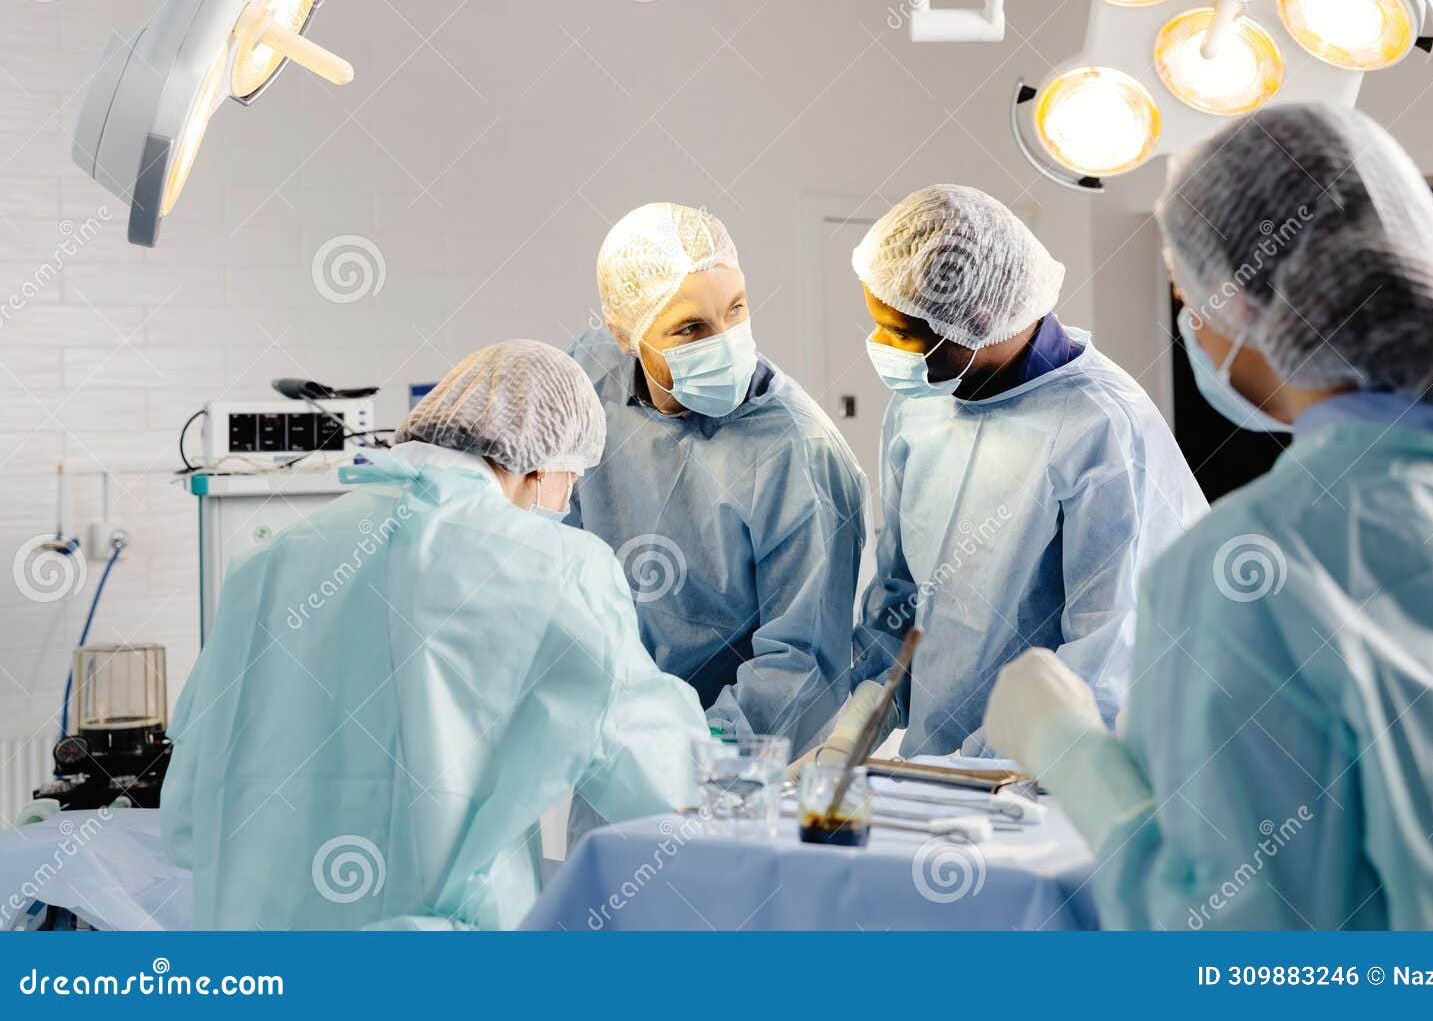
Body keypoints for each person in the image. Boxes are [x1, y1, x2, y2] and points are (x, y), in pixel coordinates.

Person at [985, 104, 1433, 929]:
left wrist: (1073, 755)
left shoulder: (1252, 566)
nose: (1185, 320)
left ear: (1248, 306)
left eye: (1183, 287)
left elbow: (1234, 949)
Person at [162, 341, 711, 929]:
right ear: (537, 465)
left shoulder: (268, 565)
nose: (567, 501)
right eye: (570, 480)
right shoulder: (558, 565)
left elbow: (191, 814)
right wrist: (742, 781)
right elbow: (651, 769)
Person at [828, 184, 1206, 763]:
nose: (880, 346)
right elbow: (900, 587)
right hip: (935, 769)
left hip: (1052, 778)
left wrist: (983, 766)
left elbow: (1109, 657)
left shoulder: (1101, 428)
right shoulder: (923, 399)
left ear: (977, 319)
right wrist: (860, 718)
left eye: (901, 333)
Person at [568, 203, 869, 754]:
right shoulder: (590, 380)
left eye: (735, 310)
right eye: (690, 328)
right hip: (613, 740)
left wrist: (693, 752)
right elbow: (553, 536)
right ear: (625, 335)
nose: (724, 339)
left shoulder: (800, 452)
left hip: (742, 766)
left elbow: (802, 662)